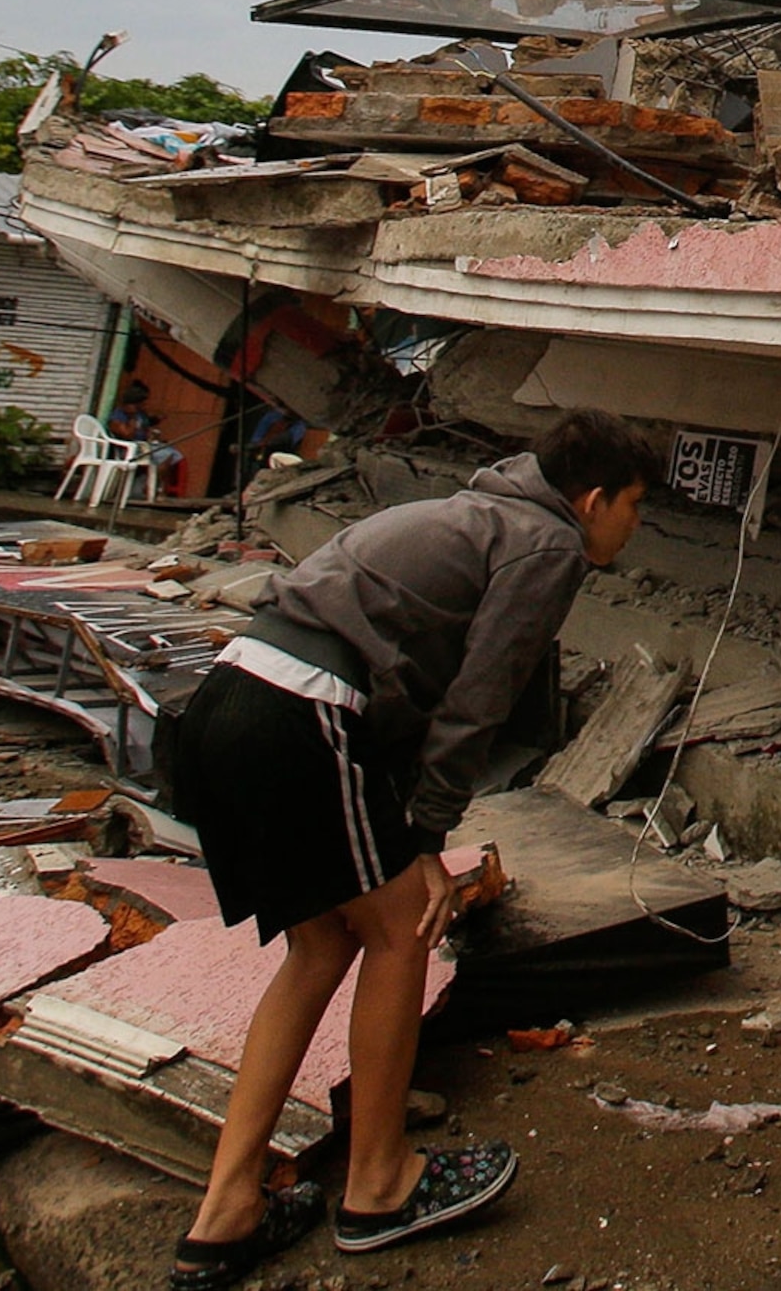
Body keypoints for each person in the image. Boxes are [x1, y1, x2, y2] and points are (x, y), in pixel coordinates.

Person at [164, 409, 665, 1287]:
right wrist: (426, 838)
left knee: (320, 948)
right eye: (632, 506)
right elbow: (478, 700)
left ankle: (226, 1211)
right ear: (591, 500)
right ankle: (379, 1186)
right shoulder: (546, 545)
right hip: (306, 712)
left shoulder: (476, 515)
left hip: (231, 700)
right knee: (403, 928)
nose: (632, 525)